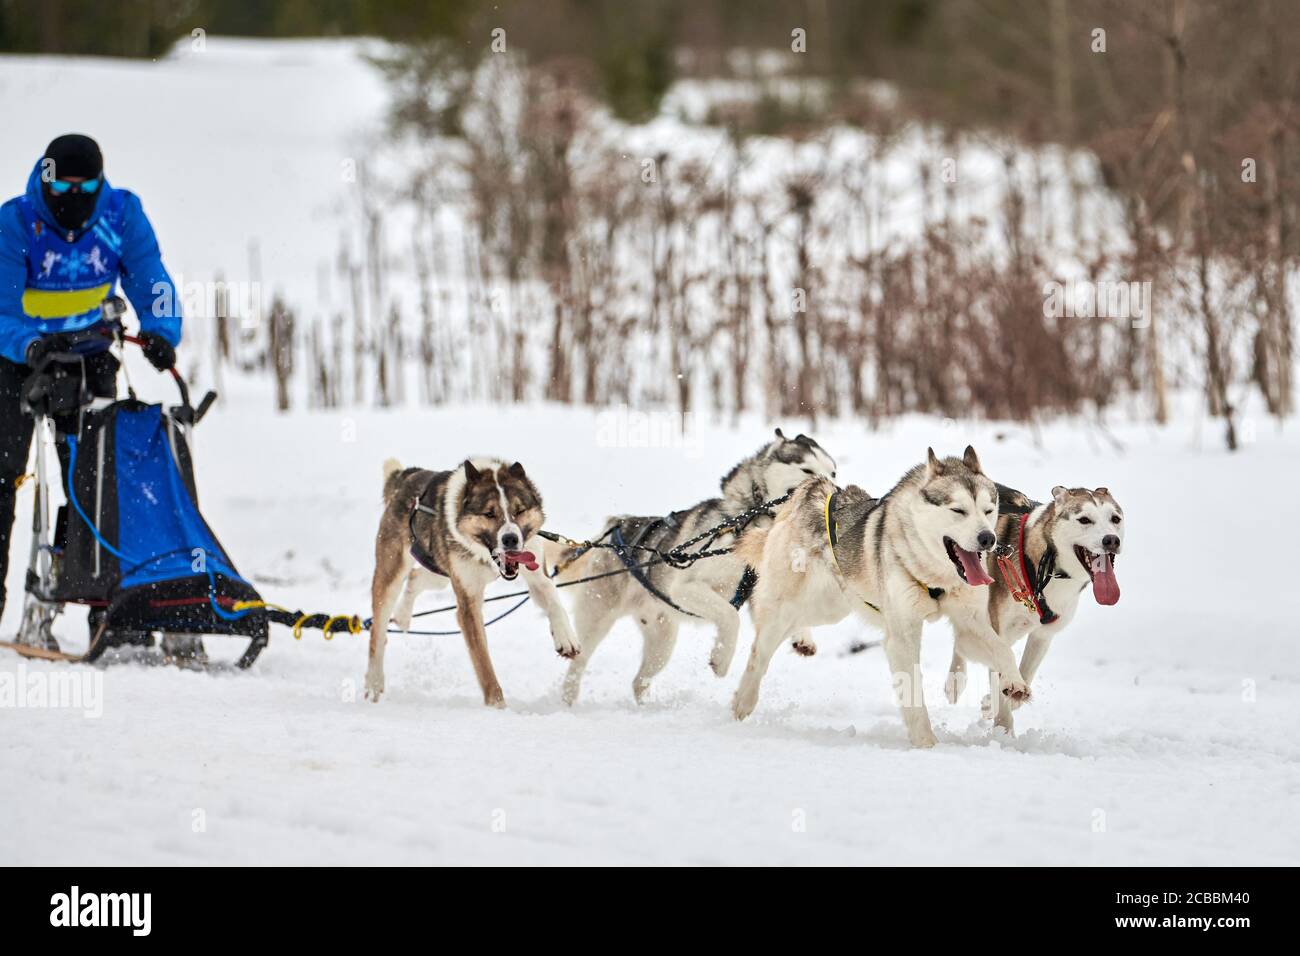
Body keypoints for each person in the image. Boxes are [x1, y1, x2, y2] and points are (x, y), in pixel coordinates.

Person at [0, 133, 184, 653]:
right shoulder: (15, 222)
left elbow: (152, 281)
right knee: (4, 471)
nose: (76, 196)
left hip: (90, 350)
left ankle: (108, 605)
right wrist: (33, 349)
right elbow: (2, 311)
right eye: (65, 186)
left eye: (88, 186)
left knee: (99, 479)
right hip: (20, 356)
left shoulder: (121, 214)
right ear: (46, 179)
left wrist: (162, 332)